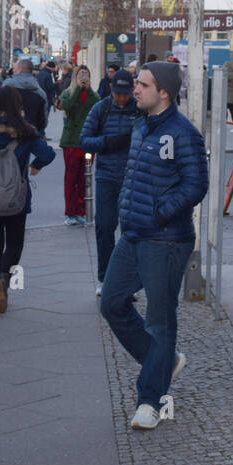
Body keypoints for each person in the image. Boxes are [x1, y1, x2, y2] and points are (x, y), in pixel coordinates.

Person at [100, 62, 208, 430]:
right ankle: (163, 361)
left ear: (164, 92)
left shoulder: (183, 133)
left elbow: (195, 185)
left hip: (165, 239)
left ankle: (150, 400)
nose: (135, 90)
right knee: (111, 303)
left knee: (160, 320)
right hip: (133, 234)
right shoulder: (141, 126)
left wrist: (160, 212)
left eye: (143, 85)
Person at [0, 86, 55, 314]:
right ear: (17, 106)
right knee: (15, 243)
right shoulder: (25, 131)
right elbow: (48, 154)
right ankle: (4, 279)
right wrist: (34, 166)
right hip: (17, 197)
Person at [80, 68, 138, 295]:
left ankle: (128, 281)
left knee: (131, 229)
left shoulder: (140, 110)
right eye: (118, 93)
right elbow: (84, 141)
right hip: (106, 176)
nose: (122, 98)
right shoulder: (101, 108)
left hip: (133, 177)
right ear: (112, 89)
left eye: (125, 94)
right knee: (104, 226)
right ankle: (105, 278)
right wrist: (108, 142)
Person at [59, 67, 99, 225]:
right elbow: (67, 107)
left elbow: (97, 105)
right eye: (81, 75)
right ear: (75, 77)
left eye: (86, 75)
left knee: (85, 178)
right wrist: (77, 90)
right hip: (71, 143)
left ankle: (82, 211)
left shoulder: (92, 95)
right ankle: (70, 212)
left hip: (87, 144)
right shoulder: (67, 94)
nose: (84, 78)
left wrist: (88, 90)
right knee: (71, 178)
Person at [6, 58, 48, 134]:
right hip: (31, 134)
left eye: (15, 68)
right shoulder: (41, 93)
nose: (13, 71)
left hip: (7, 133)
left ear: (20, 70)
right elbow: (43, 121)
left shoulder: (5, 87)